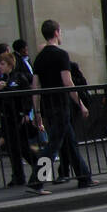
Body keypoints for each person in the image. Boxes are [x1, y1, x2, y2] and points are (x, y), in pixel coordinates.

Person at [30, 20, 97, 189]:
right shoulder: (61, 55)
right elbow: (68, 82)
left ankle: (84, 177)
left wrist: (37, 111)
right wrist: (80, 104)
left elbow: (35, 86)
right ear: (57, 33)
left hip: (48, 105)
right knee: (53, 145)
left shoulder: (39, 58)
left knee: (70, 142)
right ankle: (36, 181)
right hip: (61, 104)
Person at [0, 49, 40, 191]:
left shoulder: (18, 78)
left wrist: (26, 113)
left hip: (17, 117)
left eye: (3, 64)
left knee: (22, 147)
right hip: (6, 118)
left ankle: (39, 165)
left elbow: (25, 96)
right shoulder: (3, 81)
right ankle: (18, 176)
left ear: (10, 64)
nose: (0, 66)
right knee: (12, 148)